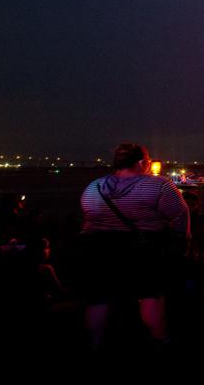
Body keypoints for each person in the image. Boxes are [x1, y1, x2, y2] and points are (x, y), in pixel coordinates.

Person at [77, 141, 190, 350]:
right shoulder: (159, 185)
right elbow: (179, 216)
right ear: (142, 162)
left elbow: (88, 217)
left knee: (99, 298)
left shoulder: (94, 186)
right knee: (150, 295)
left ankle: (94, 343)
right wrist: (181, 244)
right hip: (141, 249)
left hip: (98, 249)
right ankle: (162, 340)